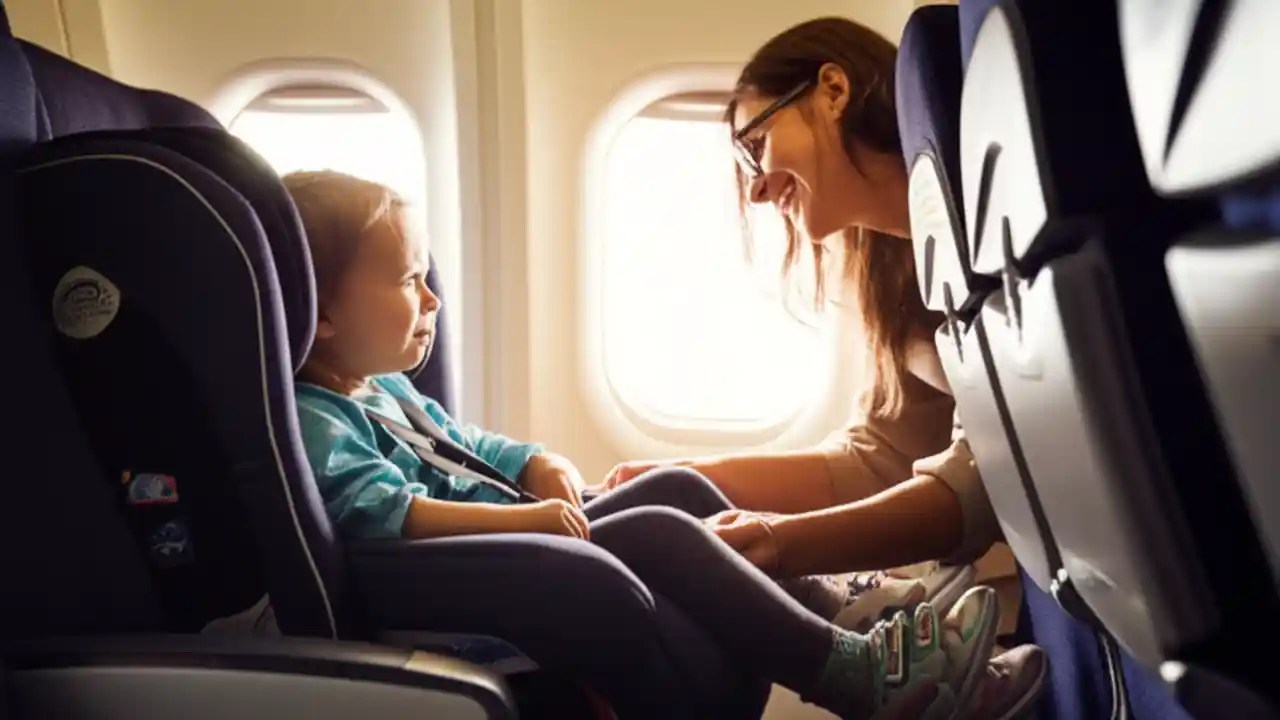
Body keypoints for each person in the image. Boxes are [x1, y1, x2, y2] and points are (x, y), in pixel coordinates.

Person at [283, 169, 1038, 719]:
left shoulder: (387, 390)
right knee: (657, 532)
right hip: (477, 579)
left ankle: (850, 617)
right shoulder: (318, 421)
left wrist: (537, 464)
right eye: (407, 281)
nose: (432, 299)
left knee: (680, 489)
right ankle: (866, 681)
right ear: (322, 315)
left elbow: (472, 445)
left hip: (516, 537)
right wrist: (524, 520)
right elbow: (391, 515)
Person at [597, 17, 1020, 617]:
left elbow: (982, 481)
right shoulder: (887, 267)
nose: (755, 192)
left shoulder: (982, 223)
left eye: (755, 145)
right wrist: (689, 475)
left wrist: (779, 544)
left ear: (833, 92)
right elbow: (878, 457)